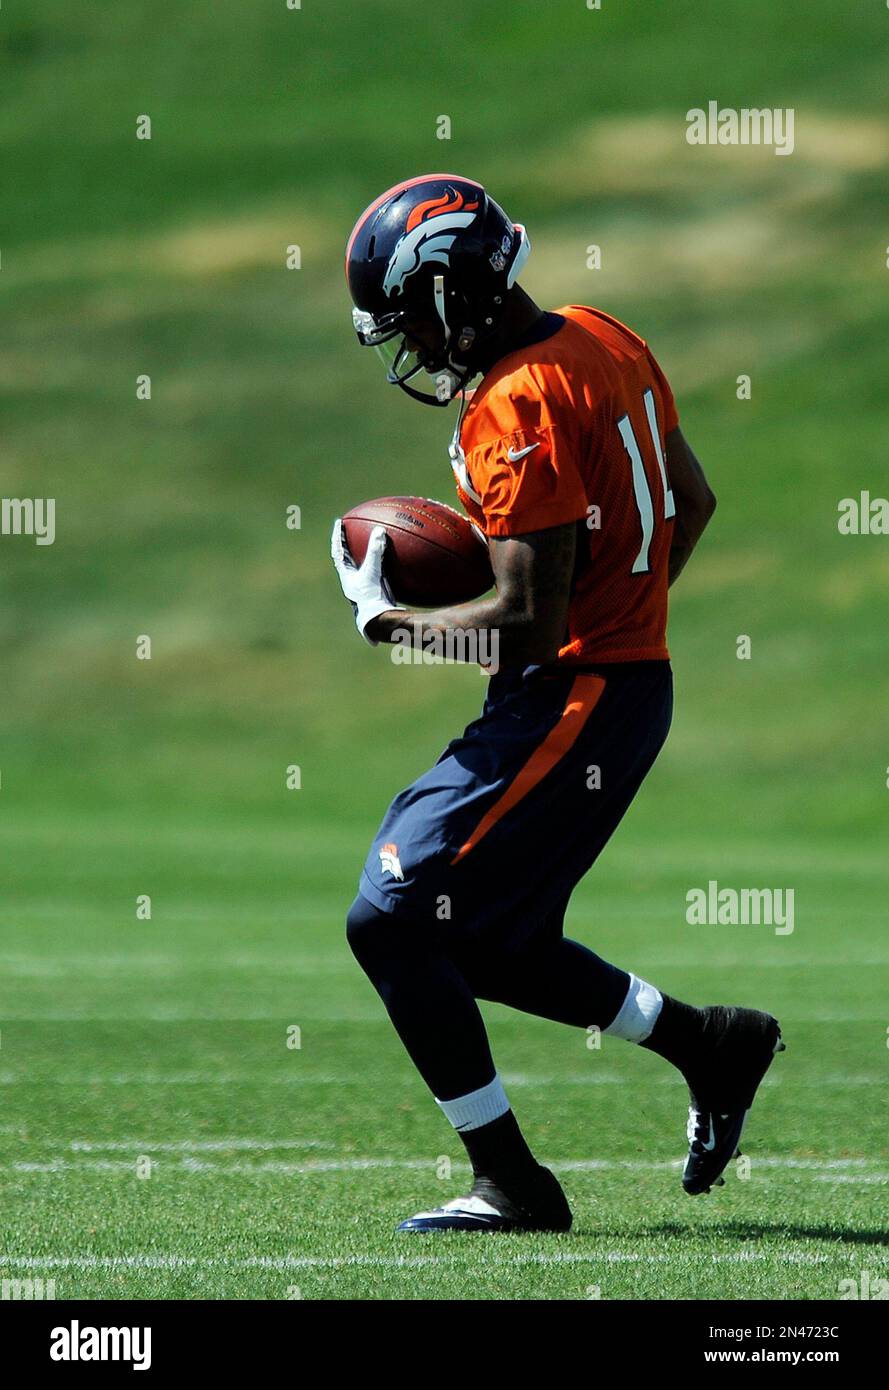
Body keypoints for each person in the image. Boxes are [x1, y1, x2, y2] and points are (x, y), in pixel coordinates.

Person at [331, 174, 783, 1233]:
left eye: (412, 320)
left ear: (449, 292)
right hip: (618, 683)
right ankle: (709, 1042)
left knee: (391, 917)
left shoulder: (513, 402)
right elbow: (695, 500)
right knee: (479, 936)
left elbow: (528, 620)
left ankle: (513, 1184)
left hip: (573, 692)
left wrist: (389, 621)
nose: (414, 347)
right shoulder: (600, 331)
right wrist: (628, 611)